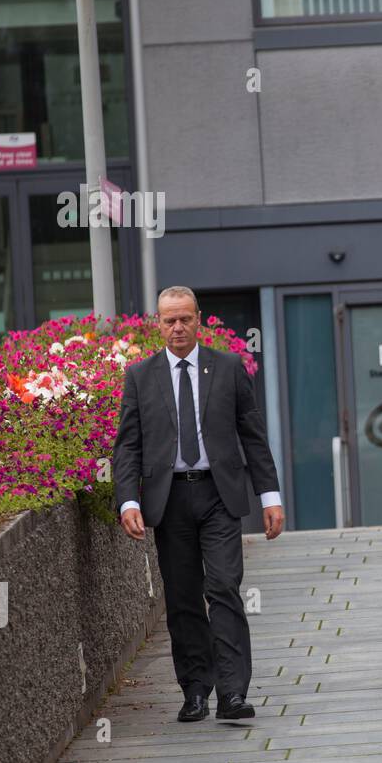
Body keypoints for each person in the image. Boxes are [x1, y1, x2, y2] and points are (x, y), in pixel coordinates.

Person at [114, 286, 285, 723]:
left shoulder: (227, 368)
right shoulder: (139, 376)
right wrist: (128, 500)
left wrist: (270, 496)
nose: (177, 328)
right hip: (168, 500)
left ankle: (232, 693)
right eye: (169, 320)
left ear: (198, 319)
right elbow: (127, 447)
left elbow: (253, 435)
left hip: (218, 495)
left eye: (185, 319)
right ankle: (195, 691)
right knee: (184, 597)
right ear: (158, 324)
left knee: (224, 587)